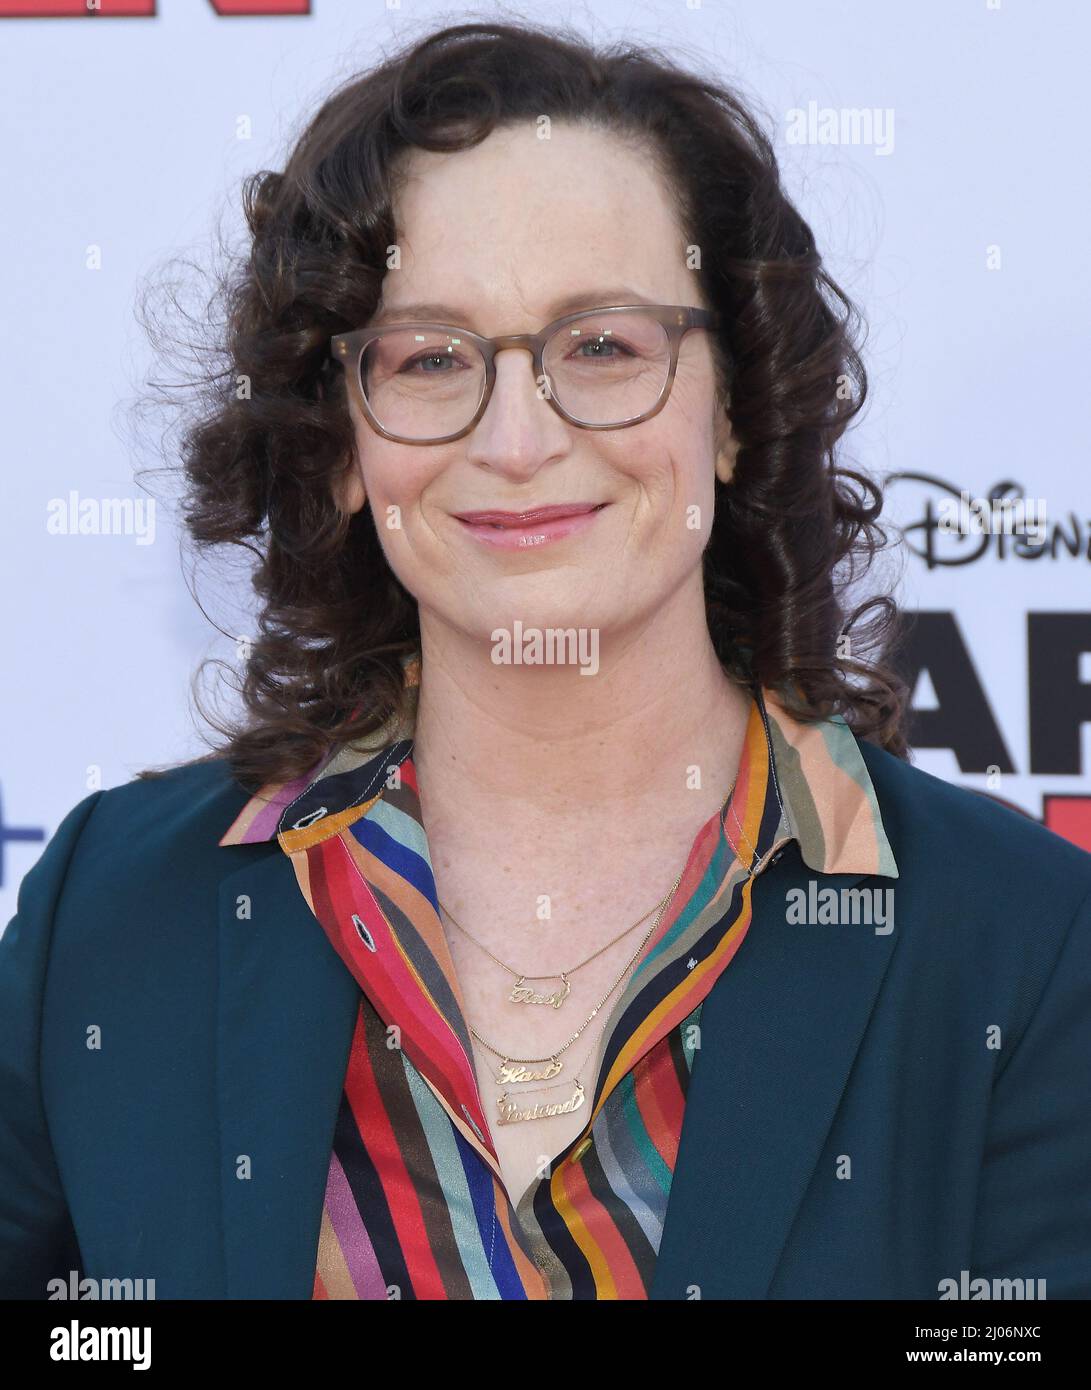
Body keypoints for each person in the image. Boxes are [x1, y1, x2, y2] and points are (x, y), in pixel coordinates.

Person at [2, 20, 1089, 1302]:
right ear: (342, 445)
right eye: (427, 359)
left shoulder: (1014, 943)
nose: (518, 439)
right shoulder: (118, 912)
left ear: (734, 410)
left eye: (602, 347)